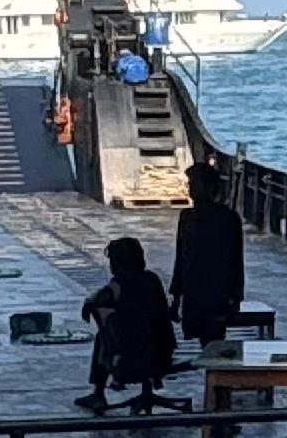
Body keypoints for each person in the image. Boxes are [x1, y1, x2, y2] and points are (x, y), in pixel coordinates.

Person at [77, 235, 178, 413]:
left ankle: (98, 394)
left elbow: (98, 300)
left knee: (103, 335)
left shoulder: (120, 284)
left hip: (132, 357)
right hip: (163, 353)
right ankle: (145, 388)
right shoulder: (152, 279)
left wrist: (90, 305)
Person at [170, 159, 245, 352]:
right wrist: (176, 298)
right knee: (207, 338)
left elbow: (236, 261)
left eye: (194, 185)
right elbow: (180, 259)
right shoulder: (189, 217)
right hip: (197, 289)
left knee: (213, 337)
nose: (191, 190)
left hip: (215, 290)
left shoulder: (226, 219)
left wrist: (236, 297)